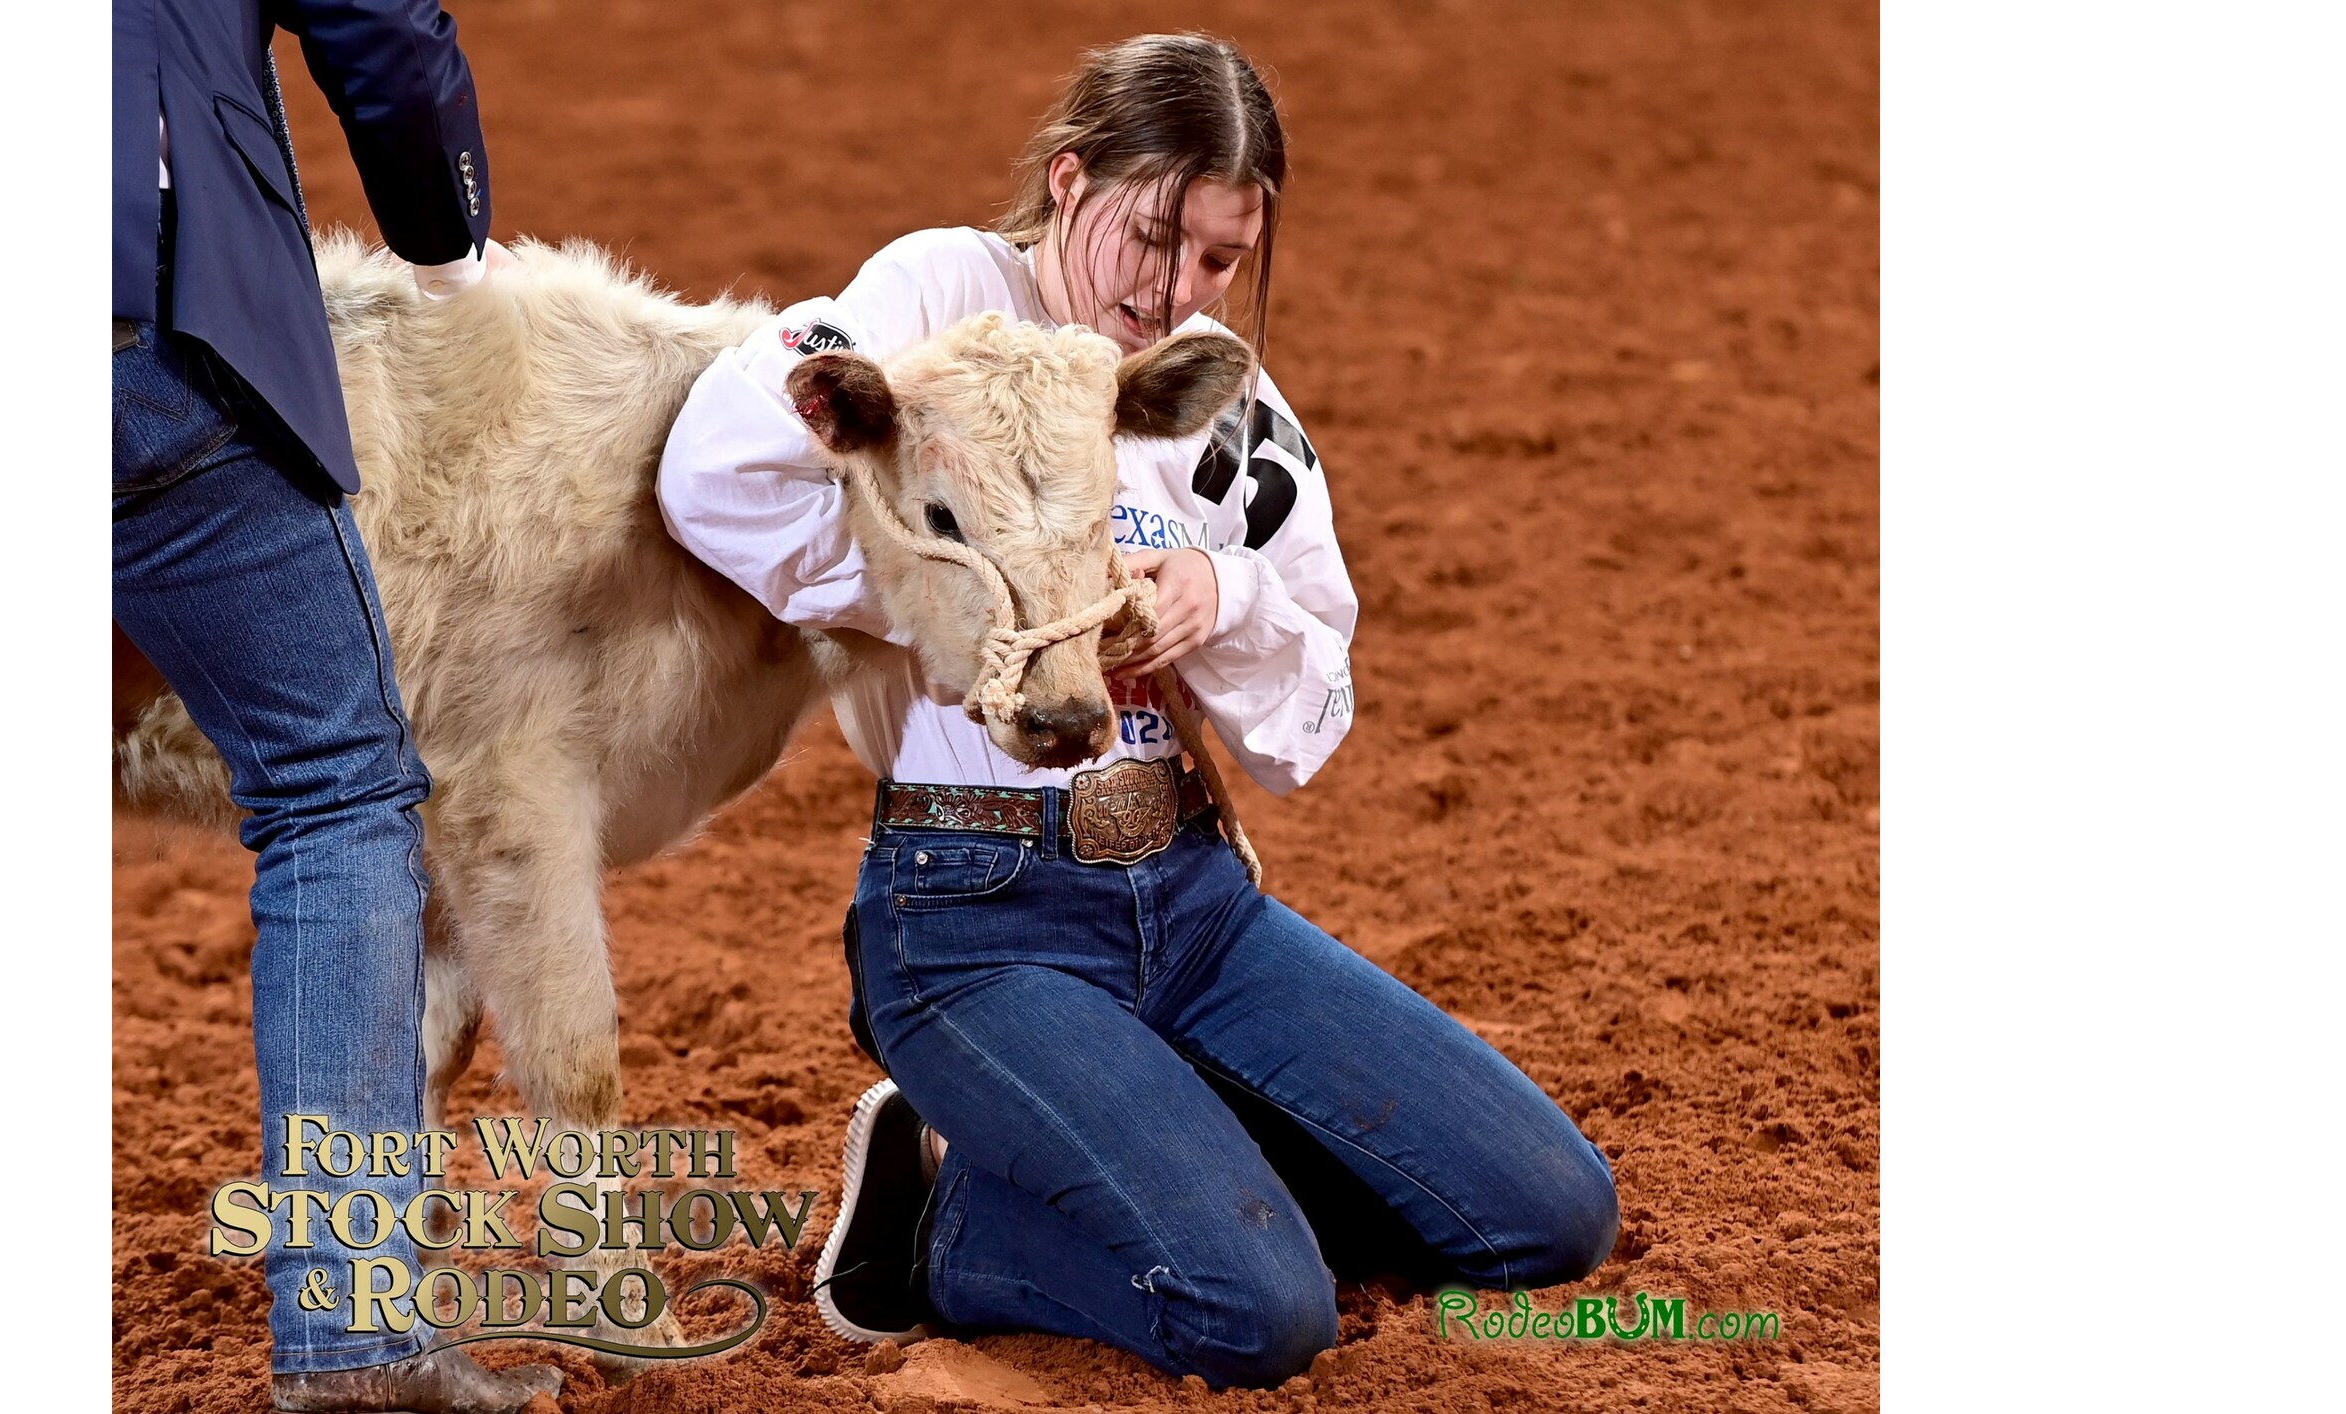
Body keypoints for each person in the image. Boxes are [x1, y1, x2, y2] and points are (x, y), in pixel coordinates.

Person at [655, 33, 1619, 1390]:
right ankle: (942, 1217)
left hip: (1196, 897)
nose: (1177, 284)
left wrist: (1214, 591)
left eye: (1220, 257)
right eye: (1156, 234)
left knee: (1548, 1217)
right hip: (974, 911)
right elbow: (717, 473)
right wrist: (975, 600)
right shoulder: (940, 292)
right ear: (1069, 184)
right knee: (1261, 1316)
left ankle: (1134, 1149)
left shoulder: (1211, 382)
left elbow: (1313, 697)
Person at [111, 2, 556, 1410]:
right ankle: (355, 1334)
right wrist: (447, 256)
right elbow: (383, 28)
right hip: (129, 295)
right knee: (337, 792)